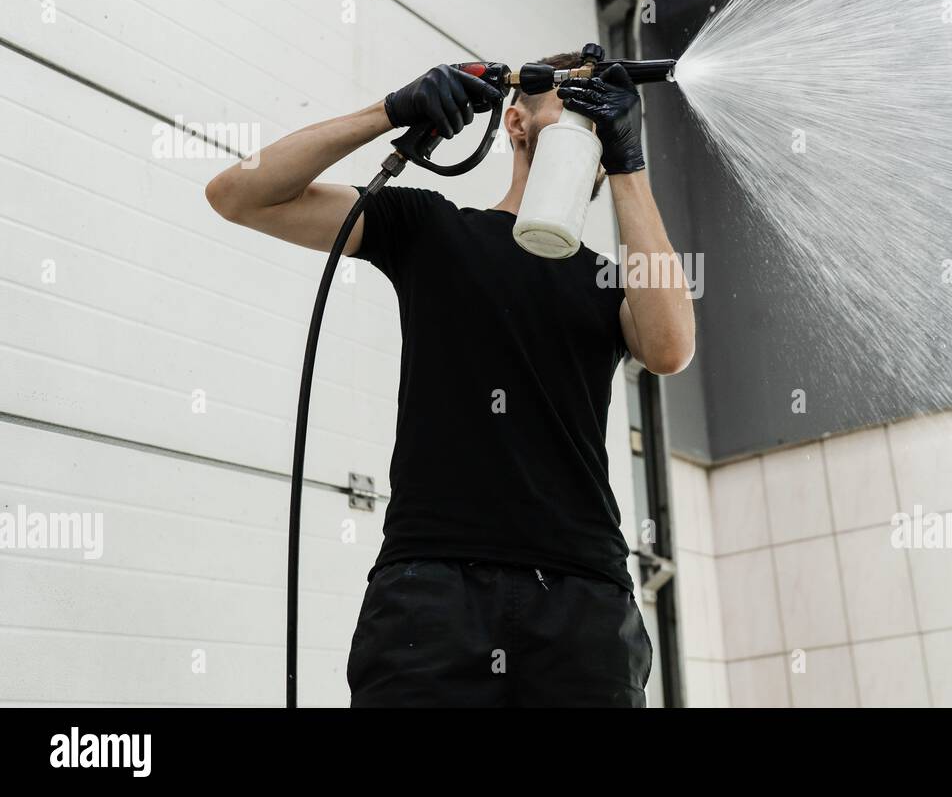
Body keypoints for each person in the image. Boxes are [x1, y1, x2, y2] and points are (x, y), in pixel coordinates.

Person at [205, 52, 695, 706]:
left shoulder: (610, 279)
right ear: (515, 119)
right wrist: (388, 111)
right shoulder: (433, 228)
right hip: (432, 593)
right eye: (571, 91)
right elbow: (239, 195)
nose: (588, 101)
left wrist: (628, 164)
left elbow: (669, 348)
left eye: (601, 97)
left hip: (582, 598)